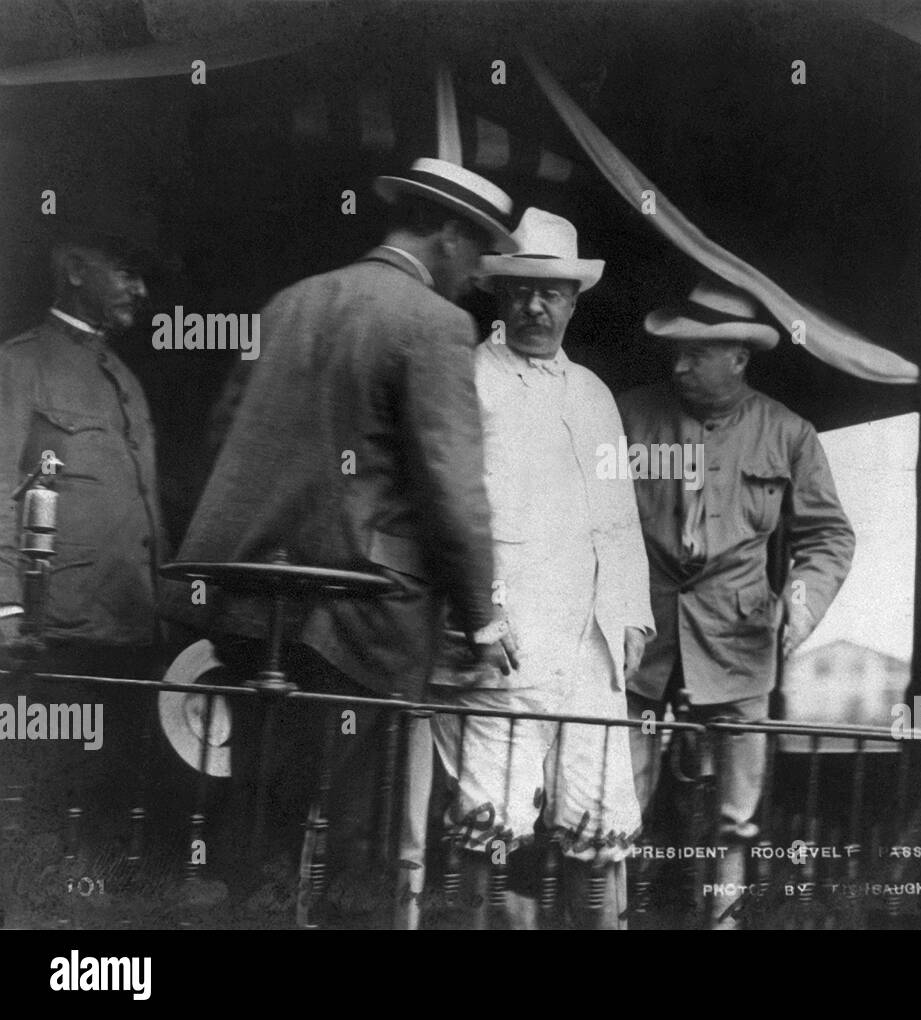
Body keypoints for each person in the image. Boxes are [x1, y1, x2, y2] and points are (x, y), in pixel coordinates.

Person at [162, 158, 519, 899]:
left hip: (254, 601)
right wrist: (482, 622)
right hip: (364, 615)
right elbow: (453, 490)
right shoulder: (436, 325)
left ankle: (238, 911)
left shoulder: (290, 302)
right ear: (449, 236)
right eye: (481, 253)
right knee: (356, 832)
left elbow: (224, 438)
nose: (481, 275)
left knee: (257, 796)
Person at [400, 208, 653, 930]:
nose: (536, 306)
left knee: (596, 821)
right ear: (498, 296)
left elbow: (618, 519)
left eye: (552, 293)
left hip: (590, 647)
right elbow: (446, 511)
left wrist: (631, 613)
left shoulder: (594, 395)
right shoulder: (470, 382)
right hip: (501, 643)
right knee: (489, 816)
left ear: (575, 300)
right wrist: (478, 614)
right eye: (520, 291)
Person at [618, 279, 856, 927]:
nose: (679, 364)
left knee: (736, 818)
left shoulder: (789, 434)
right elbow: (596, 522)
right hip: (641, 641)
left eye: (697, 352)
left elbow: (828, 536)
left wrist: (800, 607)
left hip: (740, 640)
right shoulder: (630, 416)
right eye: (676, 351)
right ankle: (611, 920)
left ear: (740, 358)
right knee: (617, 797)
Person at [0, 214, 165, 854]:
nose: (141, 289)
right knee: (46, 786)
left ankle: (101, 894)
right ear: (74, 268)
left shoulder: (124, 379)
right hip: (54, 627)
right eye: (125, 271)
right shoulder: (19, 366)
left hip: (128, 622)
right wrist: (7, 604)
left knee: (111, 787)